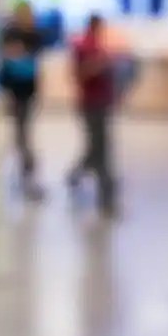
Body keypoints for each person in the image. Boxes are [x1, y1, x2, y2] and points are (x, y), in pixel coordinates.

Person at [67, 14, 117, 216]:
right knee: (100, 148)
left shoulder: (98, 45)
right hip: (90, 103)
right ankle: (106, 195)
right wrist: (98, 65)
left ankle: (76, 175)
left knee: (98, 147)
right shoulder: (82, 46)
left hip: (102, 101)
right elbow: (78, 73)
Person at [0, 0, 44, 200]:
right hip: (14, 92)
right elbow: (6, 56)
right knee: (21, 134)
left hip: (28, 91)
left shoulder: (34, 35)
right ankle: (26, 173)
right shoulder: (10, 32)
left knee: (22, 134)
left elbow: (31, 58)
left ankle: (27, 173)